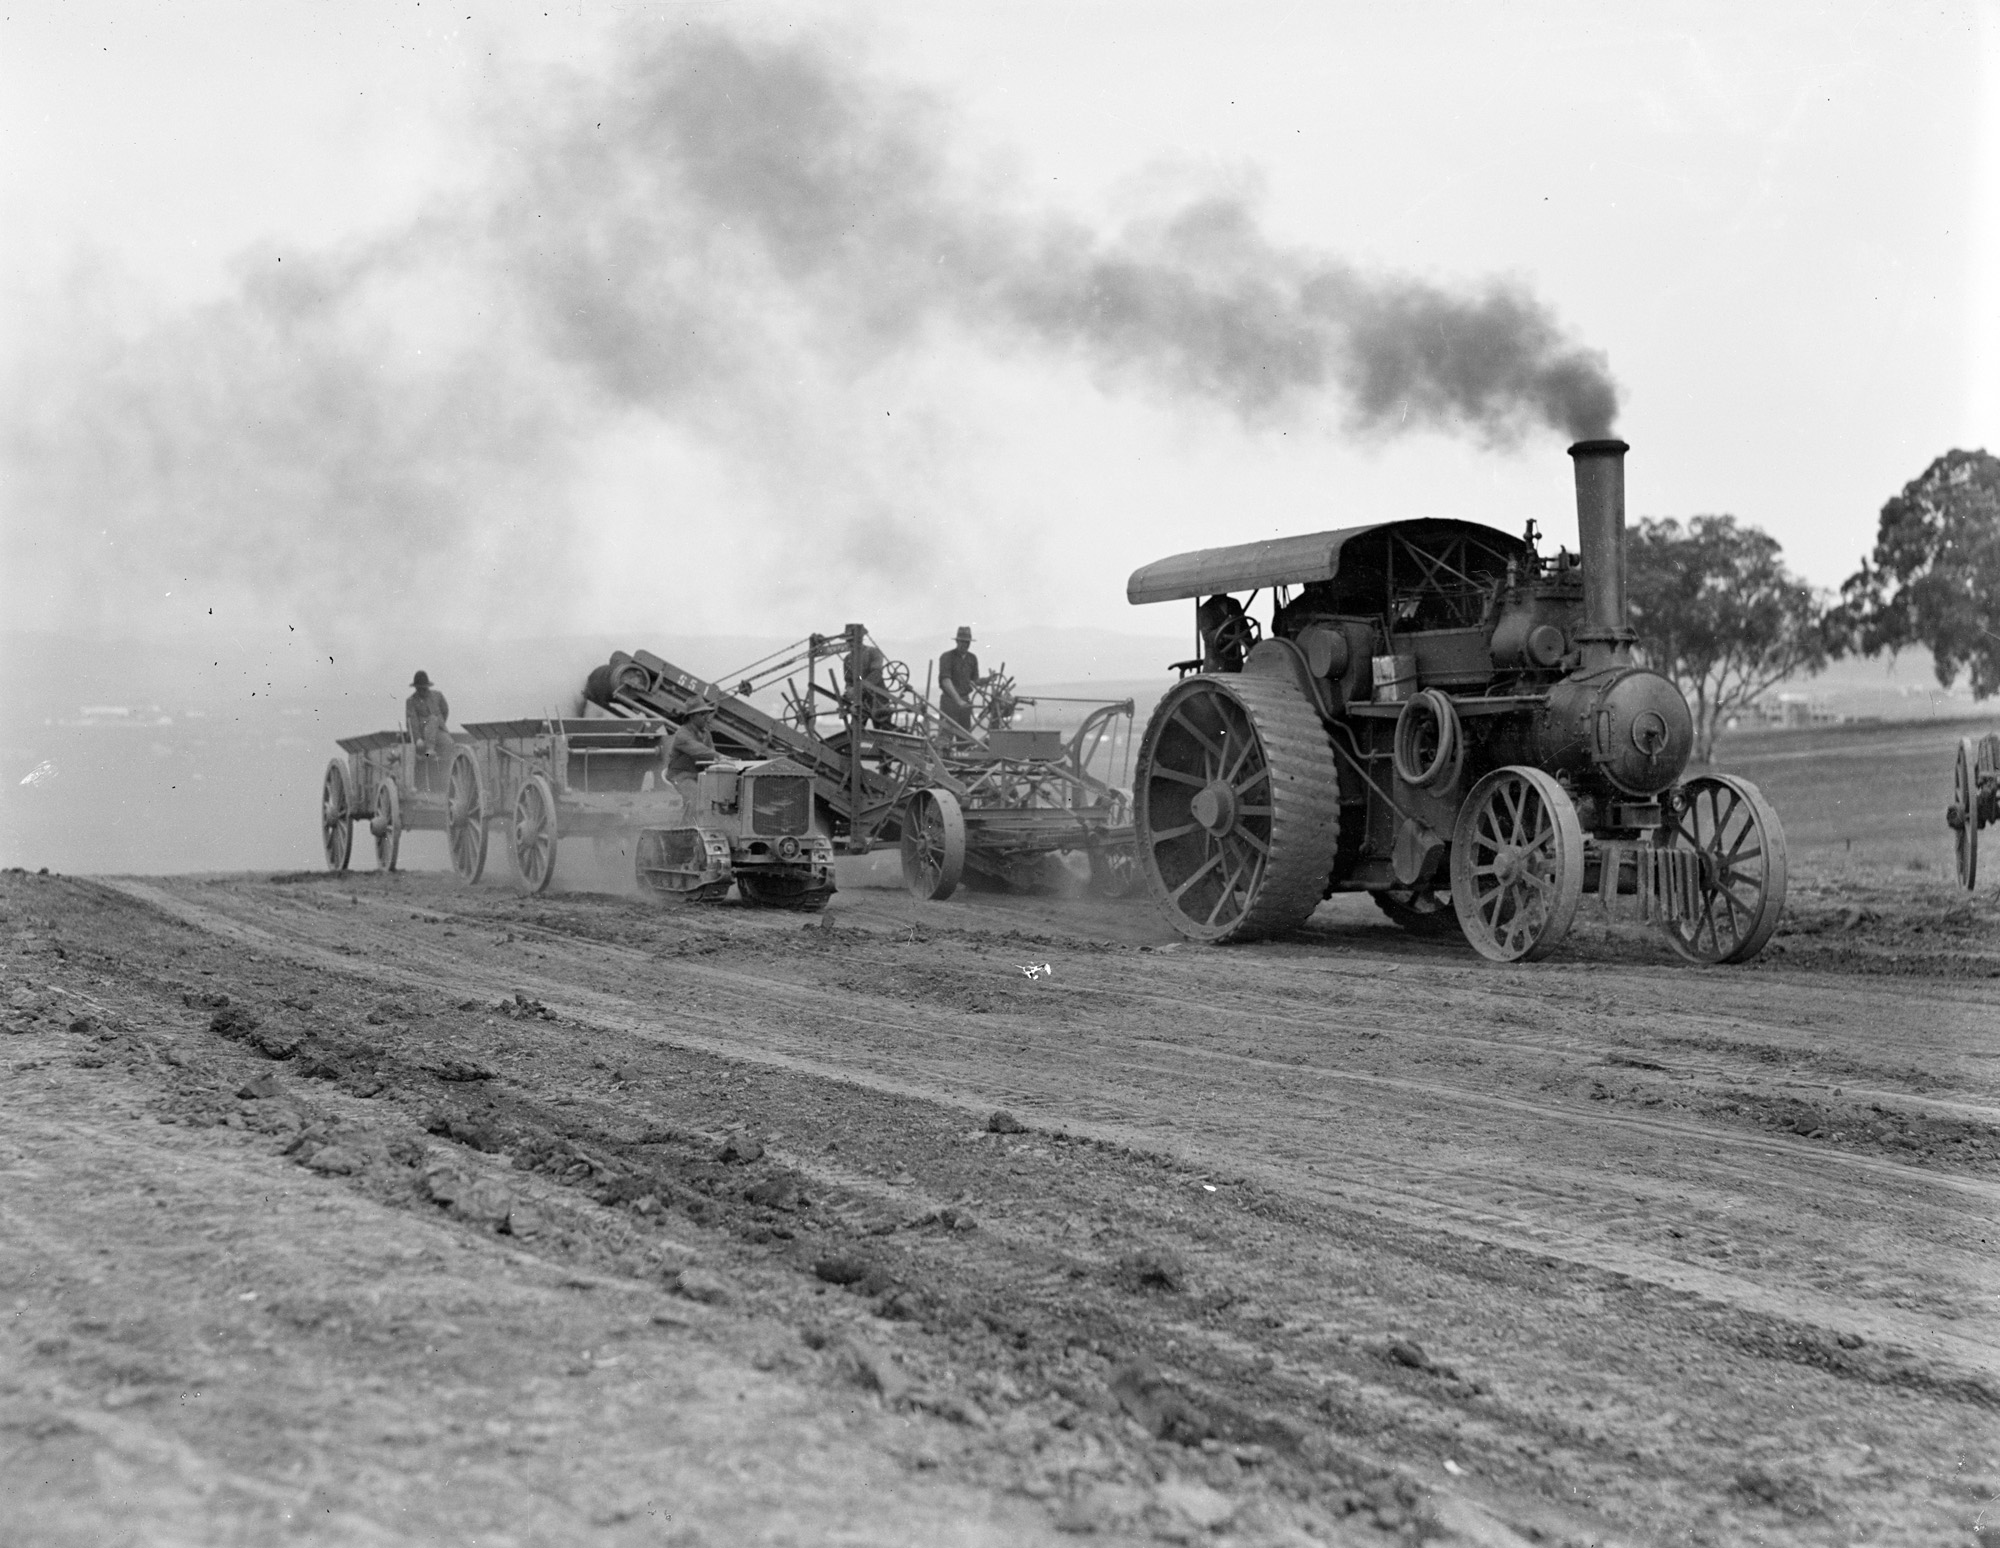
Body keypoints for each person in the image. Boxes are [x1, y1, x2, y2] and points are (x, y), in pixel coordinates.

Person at [666, 703, 720, 801]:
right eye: (702, 714)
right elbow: (699, 750)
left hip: (698, 776)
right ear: (692, 716)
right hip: (681, 776)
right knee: (697, 799)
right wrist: (721, 757)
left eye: (707, 714)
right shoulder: (682, 734)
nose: (706, 718)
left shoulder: (706, 733)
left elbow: (711, 753)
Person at [938, 626, 986, 733]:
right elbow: (946, 681)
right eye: (962, 642)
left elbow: (974, 681)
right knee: (945, 741)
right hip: (949, 704)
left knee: (965, 741)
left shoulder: (972, 658)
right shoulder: (947, 657)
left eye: (967, 642)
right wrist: (958, 700)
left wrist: (986, 680)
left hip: (965, 704)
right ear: (957, 641)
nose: (965, 644)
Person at [405, 671, 452, 762]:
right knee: (433, 719)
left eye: (424, 689)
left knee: (449, 743)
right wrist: (418, 739)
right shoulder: (411, 701)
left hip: (436, 731)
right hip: (422, 734)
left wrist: (439, 725)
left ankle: (442, 768)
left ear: (427, 687)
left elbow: (445, 711)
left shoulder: (438, 696)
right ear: (416, 688)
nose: (422, 691)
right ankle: (428, 752)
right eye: (419, 689)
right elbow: (412, 722)